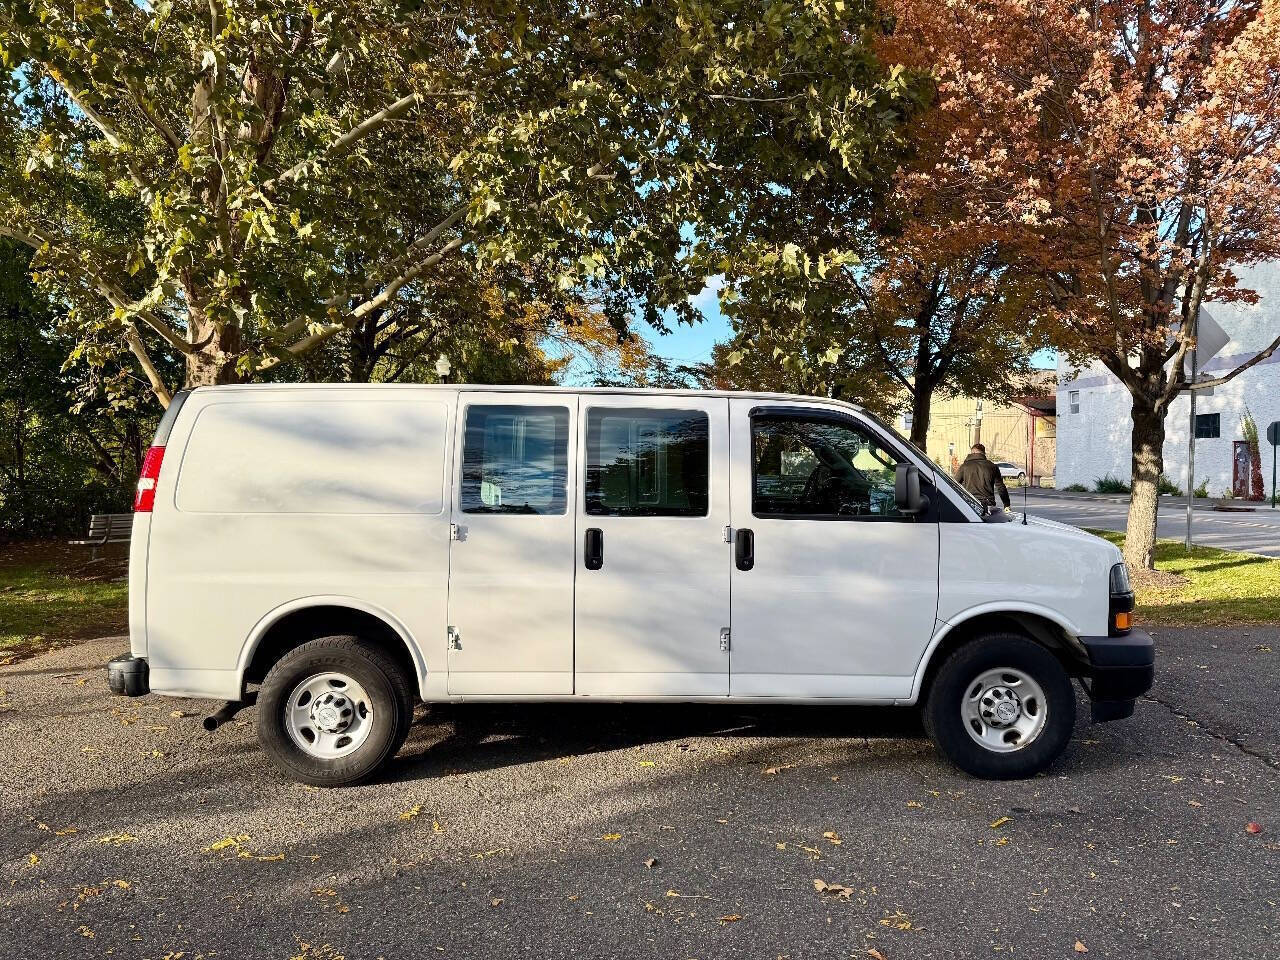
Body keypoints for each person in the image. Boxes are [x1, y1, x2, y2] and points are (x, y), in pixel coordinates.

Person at [955, 442, 1010, 512]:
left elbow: (955, 485)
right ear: (983, 453)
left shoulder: (964, 466)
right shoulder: (992, 466)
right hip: (988, 504)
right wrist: (1006, 504)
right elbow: (1000, 487)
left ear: (973, 452)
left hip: (969, 503)